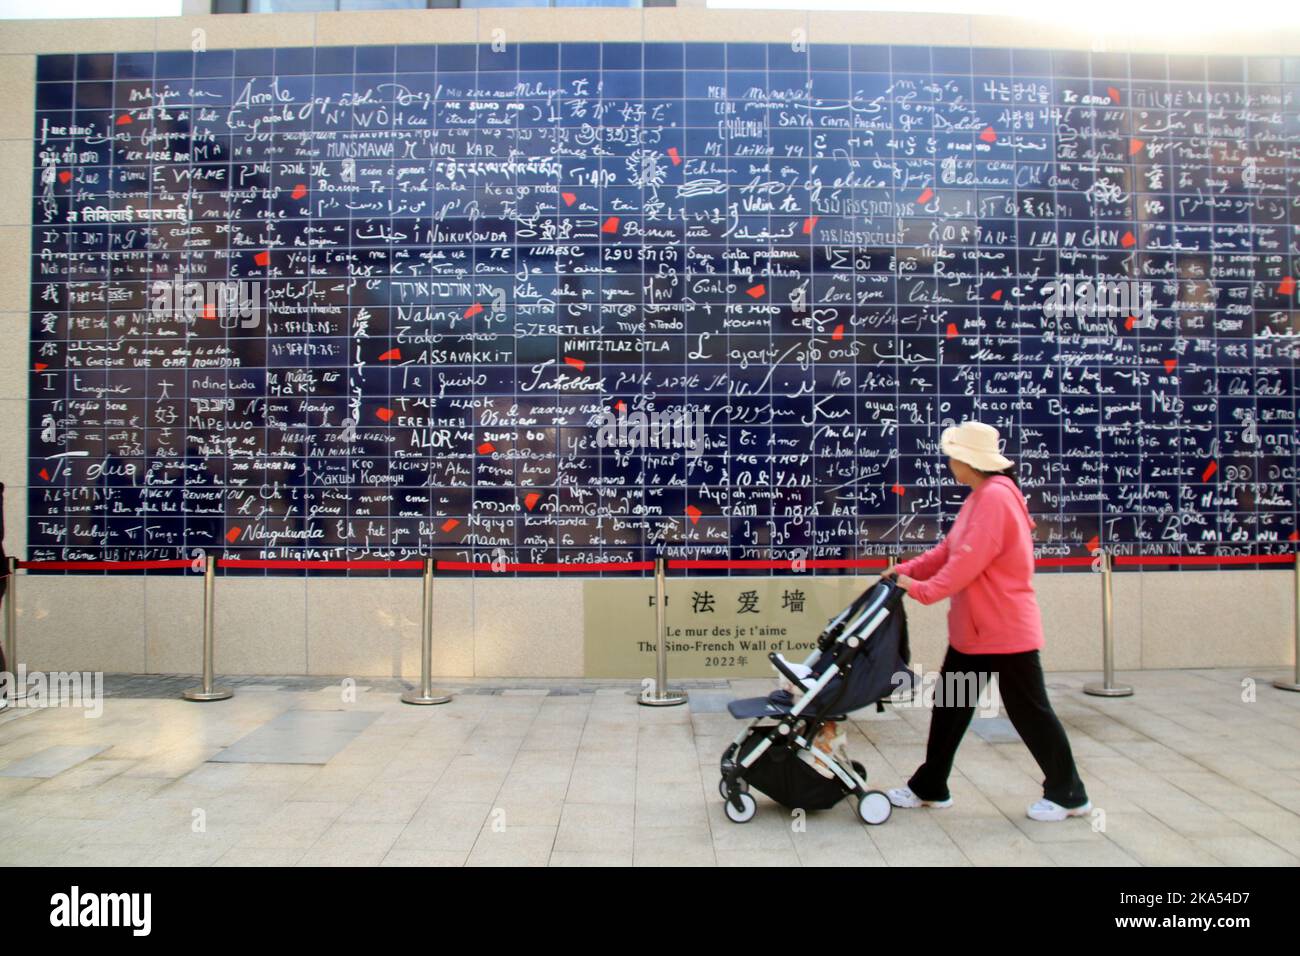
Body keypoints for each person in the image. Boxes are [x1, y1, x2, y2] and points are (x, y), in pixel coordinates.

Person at [882, 422, 1090, 822]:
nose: (948, 462)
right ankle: (930, 786)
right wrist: (906, 570)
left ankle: (1069, 793)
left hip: (1004, 632)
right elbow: (949, 550)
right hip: (976, 633)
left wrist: (918, 588)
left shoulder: (995, 499)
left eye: (952, 455)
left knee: (1030, 711)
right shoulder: (983, 496)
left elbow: (965, 564)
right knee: (951, 706)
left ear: (968, 460)